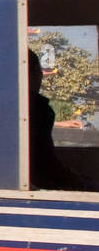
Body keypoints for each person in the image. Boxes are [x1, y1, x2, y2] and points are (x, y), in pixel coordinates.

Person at [28, 50, 92, 190]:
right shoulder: (39, 109)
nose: (41, 76)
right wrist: (79, 183)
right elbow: (45, 164)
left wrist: (59, 124)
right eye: (38, 69)